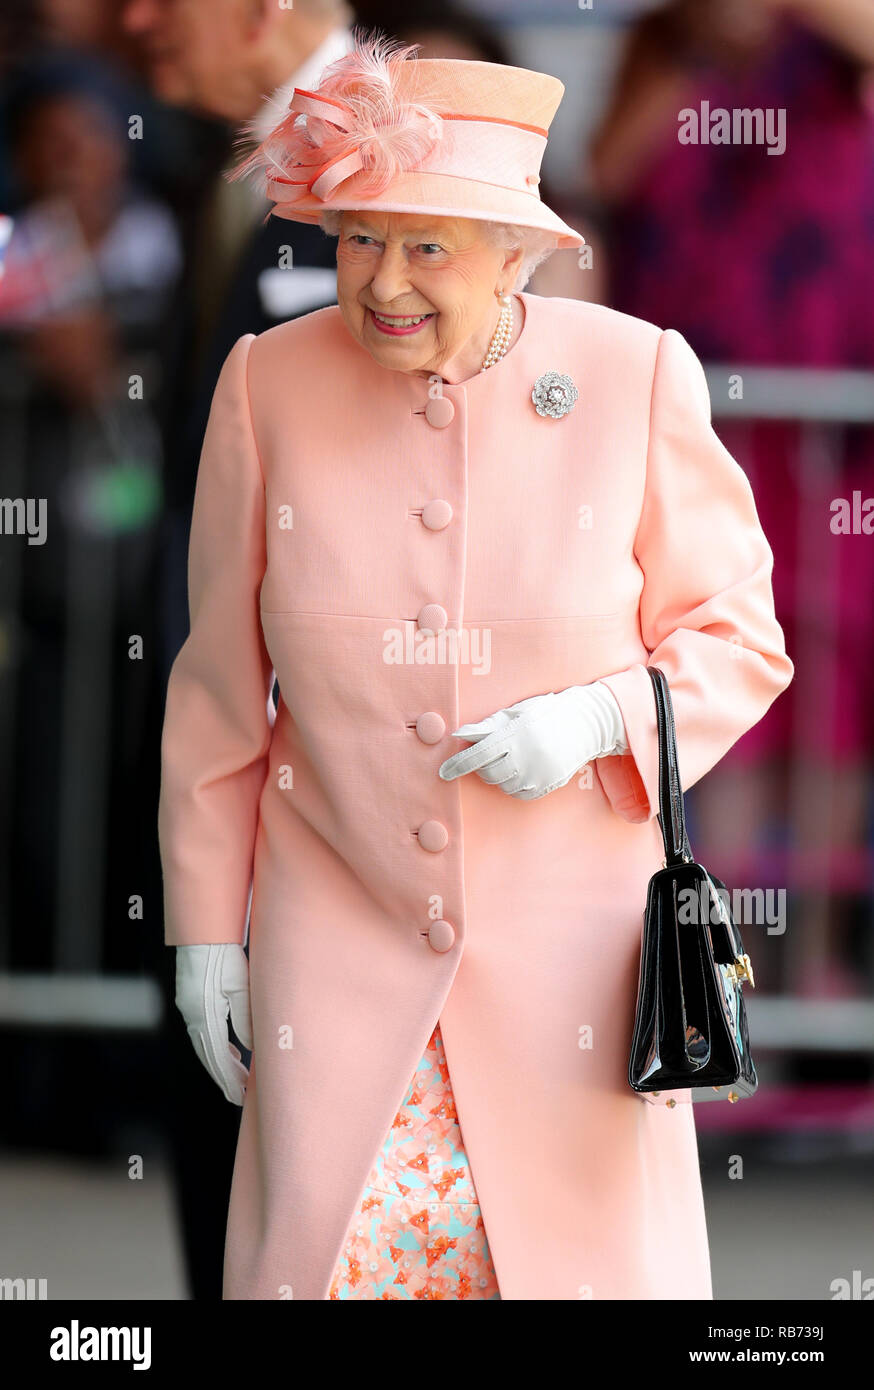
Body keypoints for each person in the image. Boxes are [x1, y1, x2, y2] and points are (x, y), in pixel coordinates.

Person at [158, 34, 794, 1301]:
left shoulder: (632, 375)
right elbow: (221, 691)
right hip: (336, 961)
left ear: (521, 255)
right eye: (356, 240)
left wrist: (595, 720)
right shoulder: (264, 386)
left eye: (427, 246)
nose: (383, 282)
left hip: (577, 979)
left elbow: (737, 641)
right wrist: (203, 938)